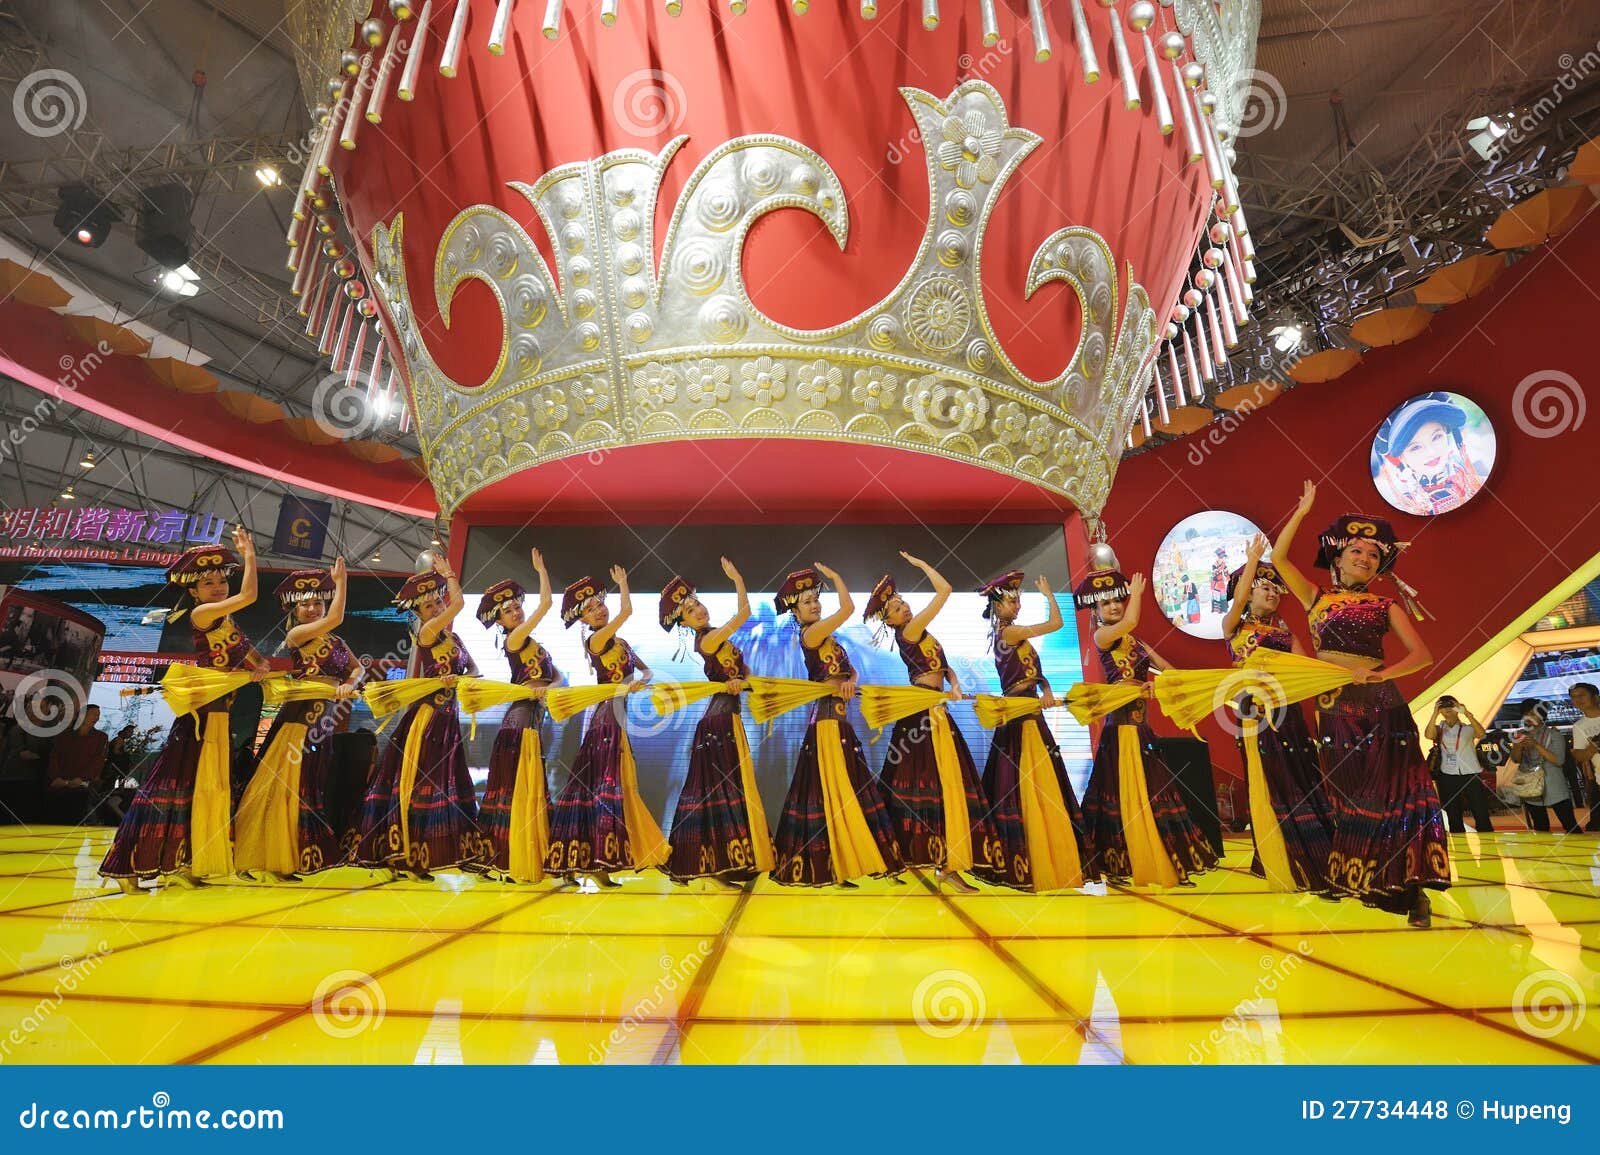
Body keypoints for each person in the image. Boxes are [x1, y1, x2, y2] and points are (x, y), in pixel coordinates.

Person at [1272, 482, 1446, 927]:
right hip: (1333, 709)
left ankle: (1413, 890)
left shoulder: (1386, 604)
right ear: (1338, 557)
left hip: (1383, 707)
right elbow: (1278, 559)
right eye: (1355, 551)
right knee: (1347, 796)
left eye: (1372, 554)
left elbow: (1422, 655)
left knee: (1396, 797)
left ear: (1378, 564)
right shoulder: (1316, 599)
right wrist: (1303, 509)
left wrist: (1380, 674)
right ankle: (1367, 878)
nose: (1364, 558)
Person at [100, 530, 271, 892]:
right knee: (169, 785)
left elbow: (259, 662)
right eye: (209, 582)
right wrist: (250, 556)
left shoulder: (229, 625)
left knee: (201, 791)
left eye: (222, 580)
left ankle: (183, 862)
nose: (218, 587)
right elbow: (252, 595)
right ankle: (126, 866)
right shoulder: (203, 614)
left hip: (221, 716)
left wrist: (256, 669)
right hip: (200, 716)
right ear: (194, 591)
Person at [865, 554, 1000, 892]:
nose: (904, 609)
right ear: (889, 620)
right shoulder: (909, 632)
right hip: (922, 711)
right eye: (896, 608)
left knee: (945, 787)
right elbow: (945, 591)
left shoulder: (923, 633)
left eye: (903, 603)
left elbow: (942, 665)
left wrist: (953, 683)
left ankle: (947, 864)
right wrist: (923, 566)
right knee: (928, 786)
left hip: (938, 708)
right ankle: (925, 861)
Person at [1076, 565, 1217, 887]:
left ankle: (1163, 863)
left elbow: (1165, 669)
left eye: (1118, 600)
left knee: (1155, 795)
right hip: (1121, 730)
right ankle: (1120, 865)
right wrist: (1136, 595)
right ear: (1096, 611)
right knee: (1125, 797)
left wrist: (1171, 685)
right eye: (1106, 603)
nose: (1114, 606)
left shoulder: (1134, 641)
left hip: (1142, 730)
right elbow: (1132, 621)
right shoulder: (1102, 637)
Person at [770, 565, 903, 887]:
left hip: (839, 722)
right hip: (827, 722)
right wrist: (836, 576)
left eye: (816, 598)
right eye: (806, 602)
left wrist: (849, 681)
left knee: (841, 793)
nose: (814, 604)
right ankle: (837, 864)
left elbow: (851, 671)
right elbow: (848, 608)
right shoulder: (811, 634)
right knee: (835, 793)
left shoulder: (829, 639)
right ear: (796, 611)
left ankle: (843, 863)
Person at [1218, 534, 1336, 892]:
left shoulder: (1284, 632)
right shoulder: (1234, 627)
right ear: (1248, 592)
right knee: (1270, 782)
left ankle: (1315, 857)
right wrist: (1252, 558)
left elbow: (1306, 667)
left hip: (1290, 716)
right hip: (1255, 716)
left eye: (1275, 588)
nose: (1272, 592)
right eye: (1262, 587)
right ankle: (1279, 857)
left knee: (1302, 779)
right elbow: (1237, 600)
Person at [355, 561, 483, 880]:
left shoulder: (455, 641)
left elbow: (474, 670)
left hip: (449, 720)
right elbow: (461, 603)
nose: (437, 607)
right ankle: (405, 855)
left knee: (444, 786)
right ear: (420, 613)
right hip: (428, 719)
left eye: (438, 601)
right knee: (420, 785)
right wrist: (451, 575)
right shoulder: (426, 633)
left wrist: (462, 678)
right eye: (429, 605)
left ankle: (433, 853)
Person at [235, 560, 362, 881]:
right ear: (294, 608)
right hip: (297, 722)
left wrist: (350, 683)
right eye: (305, 603)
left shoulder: (337, 643)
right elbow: (338, 617)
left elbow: (357, 668)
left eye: (317, 602)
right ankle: (260, 857)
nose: (312, 608)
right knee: (280, 786)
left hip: (322, 723)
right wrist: (341, 582)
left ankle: (285, 858)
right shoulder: (297, 635)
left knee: (306, 788)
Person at [546, 566, 670, 888]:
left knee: (606, 790)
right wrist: (624, 584)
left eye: (599, 603)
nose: (599, 609)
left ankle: (592, 864)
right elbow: (627, 610)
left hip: (618, 717)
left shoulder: (622, 642)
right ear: (583, 621)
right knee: (606, 790)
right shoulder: (597, 640)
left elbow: (646, 672)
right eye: (590, 609)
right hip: (606, 722)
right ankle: (589, 863)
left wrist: (638, 682)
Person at [659, 559, 775, 889]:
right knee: (717, 792)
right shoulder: (707, 641)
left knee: (726, 791)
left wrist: (749, 683)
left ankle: (724, 864)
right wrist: (738, 578)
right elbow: (742, 615)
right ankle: (715, 866)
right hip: (718, 723)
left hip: (729, 719)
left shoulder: (722, 642)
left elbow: (745, 674)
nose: (697, 610)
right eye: (689, 609)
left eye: (697, 603)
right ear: (682, 621)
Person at [976, 569, 1089, 892]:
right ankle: (1028, 863)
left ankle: (1049, 862)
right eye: (1011, 600)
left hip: (1031, 712)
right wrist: (1049, 595)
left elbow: (1032, 675)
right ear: (997, 607)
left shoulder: (1017, 637)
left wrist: (1046, 687)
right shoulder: (1009, 633)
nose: (1017, 604)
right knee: (1024, 785)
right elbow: (1056, 624)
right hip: (1019, 715)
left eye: (1019, 599)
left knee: (1043, 784)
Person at [476, 550, 558, 884]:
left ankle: (519, 855)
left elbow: (553, 677)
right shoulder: (515, 639)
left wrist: (552, 688)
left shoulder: (532, 642)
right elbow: (547, 604)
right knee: (516, 791)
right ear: (501, 622)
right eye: (508, 611)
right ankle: (508, 858)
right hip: (520, 722)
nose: (516, 611)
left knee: (525, 790)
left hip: (532, 719)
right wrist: (541, 571)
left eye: (516, 606)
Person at [1507, 699, 1581, 835]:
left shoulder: (1553, 734)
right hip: (1531, 786)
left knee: (1570, 824)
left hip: (1554, 785)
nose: (1529, 717)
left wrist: (1536, 744)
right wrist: (1518, 746)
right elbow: (1516, 760)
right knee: (1540, 827)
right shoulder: (1521, 734)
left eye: (1533, 713)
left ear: (1542, 715)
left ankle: (1581, 853)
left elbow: (1558, 760)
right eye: (1526, 714)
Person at [1423, 695, 1494, 834]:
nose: (1447, 708)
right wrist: (1434, 714)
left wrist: (1467, 714)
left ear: (1457, 708)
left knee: (1480, 811)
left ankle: (1488, 842)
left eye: (1451, 705)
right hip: (1447, 775)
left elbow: (1481, 733)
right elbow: (1428, 735)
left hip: (1471, 774)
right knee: (1453, 814)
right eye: (1443, 706)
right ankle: (1461, 844)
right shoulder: (1439, 728)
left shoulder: (1467, 728)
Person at [43, 704, 110, 824]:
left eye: (98, 715)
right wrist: (55, 777)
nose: (96, 718)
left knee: (74, 820)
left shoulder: (101, 738)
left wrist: (82, 778)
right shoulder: (64, 735)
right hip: (58, 785)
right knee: (52, 819)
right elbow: (54, 756)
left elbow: (98, 760)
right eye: (93, 714)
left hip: (80, 787)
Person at [1566, 681, 1600, 832]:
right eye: (1574, 697)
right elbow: (1580, 755)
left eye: (1582, 695)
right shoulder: (1579, 726)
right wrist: (1591, 749)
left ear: (1596, 697)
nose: (1578, 699)